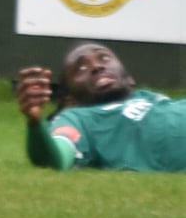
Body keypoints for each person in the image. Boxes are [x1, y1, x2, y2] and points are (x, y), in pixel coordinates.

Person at [15, 43, 186, 172]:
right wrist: (36, 124)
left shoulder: (150, 97)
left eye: (104, 58)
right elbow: (56, 157)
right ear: (71, 99)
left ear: (129, 78)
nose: (97, 66)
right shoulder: (78, 118)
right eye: (81, 68)